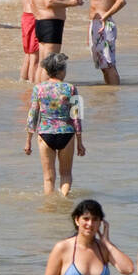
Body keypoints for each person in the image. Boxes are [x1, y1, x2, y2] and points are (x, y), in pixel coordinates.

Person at [25, 53, 84, 196]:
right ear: (61, 70)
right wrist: (80, 143)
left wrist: (28, 141)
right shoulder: (71, 88)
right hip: (66, 133)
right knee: (66, 175)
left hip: (45, 134)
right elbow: (76, 116)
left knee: (48, 179)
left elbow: (33, 115)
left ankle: (50, 205)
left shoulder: (38, 88)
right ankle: (63, 200)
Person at [29, 0, 84, 77]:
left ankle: (38, 89)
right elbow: (49, 2)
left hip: (41, 23)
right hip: (51, 24)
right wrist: (71, 3)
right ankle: (46, 89)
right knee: (50, 64)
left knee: (43, 63)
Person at [85, 0, 125, 86]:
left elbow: (121, 0)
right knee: (103, 66)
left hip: (104, 25)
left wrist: (106, 16)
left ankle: (114, 93)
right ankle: (109, 93)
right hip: (96, 26)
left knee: (108, 65)